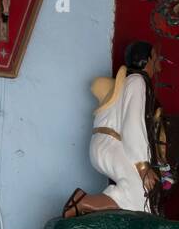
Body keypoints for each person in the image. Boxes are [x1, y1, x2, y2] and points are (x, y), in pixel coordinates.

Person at [62, 41, 168, 217]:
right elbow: (133, 125)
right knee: (141, 193)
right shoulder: (137, 81)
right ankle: (82, 202)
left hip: (109, 144)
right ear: (147, 60)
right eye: (155, 57)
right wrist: (143, 166)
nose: (158, 61)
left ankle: (87, 207)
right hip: (112, 144)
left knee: (140, 196)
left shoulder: (133, 81)